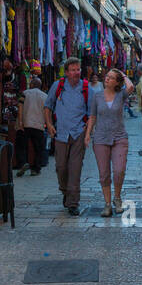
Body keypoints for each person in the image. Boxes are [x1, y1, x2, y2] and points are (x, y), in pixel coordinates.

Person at [45, 57, 91, 216]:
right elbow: (47, 107)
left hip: (78, 133)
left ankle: (73, 203)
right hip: (61, 134)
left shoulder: (86, 88)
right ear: (66, 72)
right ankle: (65, 191)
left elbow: (92, 114)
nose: (76, 72)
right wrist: (49, 125)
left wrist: (88, 132)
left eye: (78, 69)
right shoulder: (57, 86)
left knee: (75, 168)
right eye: (73, 70)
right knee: (61, 167)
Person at [86, 68, 131, 217]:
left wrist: (122, 74)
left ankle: (117, 198)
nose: (107, 79)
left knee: (119, 170)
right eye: (107, 76)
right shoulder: (97, 96)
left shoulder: (121, 95)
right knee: (104, 173)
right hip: (101, 138)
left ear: (117, 82)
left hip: (119, 137)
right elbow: (92, 116)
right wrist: (87, 135)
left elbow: (131, 87)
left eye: (111, 78)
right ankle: (107, 204)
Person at [15, 76, 48, 176]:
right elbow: (47, 112)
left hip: (26, 124)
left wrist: (20, 122)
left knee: (21, 145)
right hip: (39, 125)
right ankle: (36, 169)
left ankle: (23, 163)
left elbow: (20, 107)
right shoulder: (45, 96)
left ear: (32, 84)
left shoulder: (25, 93)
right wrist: (47, 124)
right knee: (38, 148)